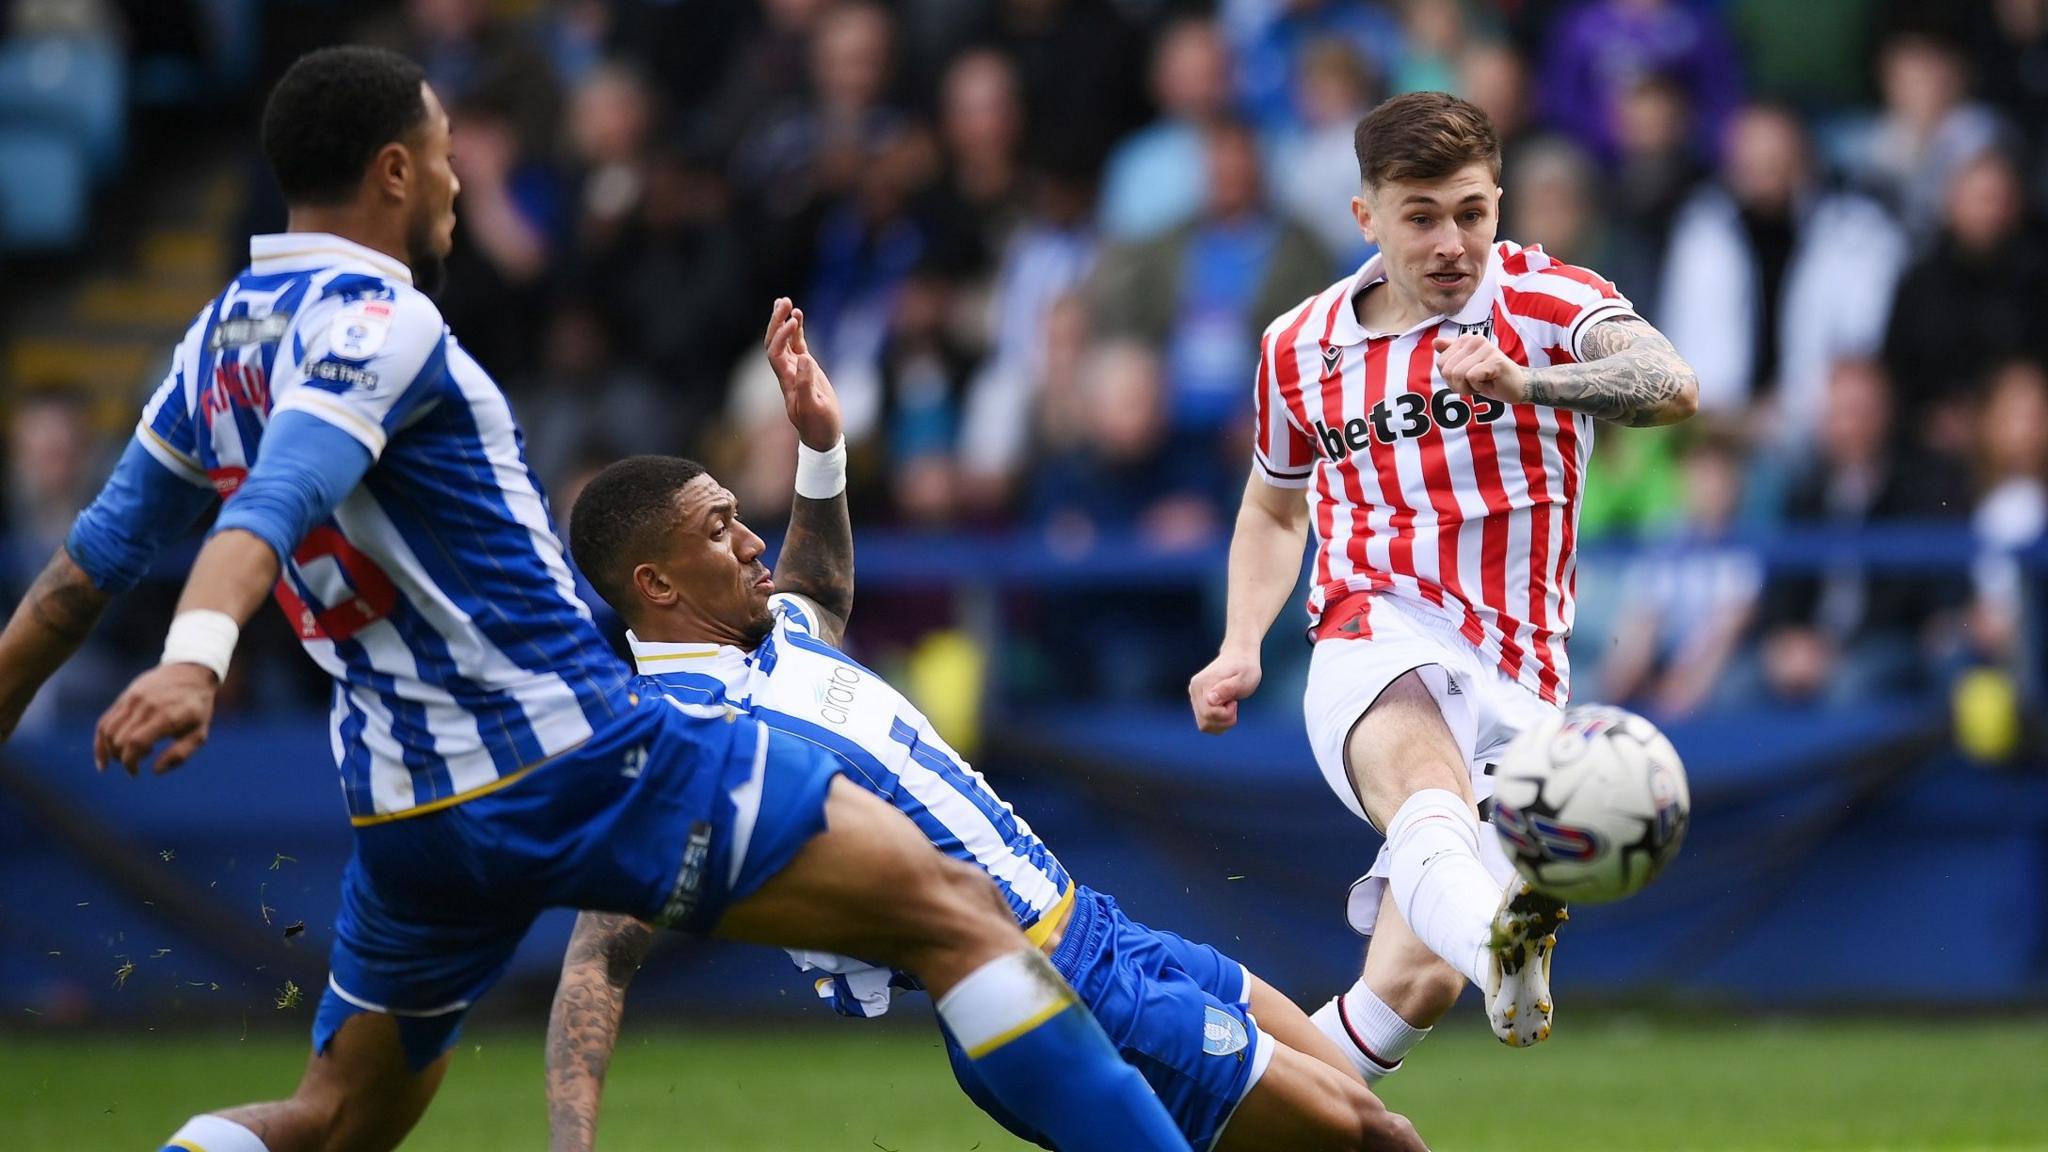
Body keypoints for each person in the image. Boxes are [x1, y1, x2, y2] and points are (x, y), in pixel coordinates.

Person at [0, 47, 1192, 1152]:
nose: (461, 180)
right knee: (948, 904)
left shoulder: (212, 347)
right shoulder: (384, 322)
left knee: (338, 1120)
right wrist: (200, 655)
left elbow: (75, 579)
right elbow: (277, 495)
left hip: (407, 812)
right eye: (450, 151)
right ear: (396, 170)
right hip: (564, 752)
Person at [545, 299, 1426, 1152]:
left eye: (739, 517)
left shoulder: (773, 634)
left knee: (1357, 1105)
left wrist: (821, 447)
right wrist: (568, 1143)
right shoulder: (679, 740)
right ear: (657, 586)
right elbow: (599, 954)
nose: (750, 543)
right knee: (1369, 1137)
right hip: (1040, 989)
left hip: (1100, 929)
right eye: (719, 530)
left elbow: (820, 590)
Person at [1186, 92, 1697, 1080]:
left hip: (1520, 680)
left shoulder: (1538, 303)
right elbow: (1272, 507)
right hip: (1369, 631)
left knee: (1410, 984)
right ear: (1364, 217)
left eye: (1471, 211)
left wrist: (1527, 384)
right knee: (1424, 780)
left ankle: (1227, 1112)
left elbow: (1669, 385)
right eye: (1420, 215)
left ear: (1498, 201)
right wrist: (1240, 642)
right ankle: (1504, 938)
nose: (1451, 241)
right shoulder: (1298, 346)